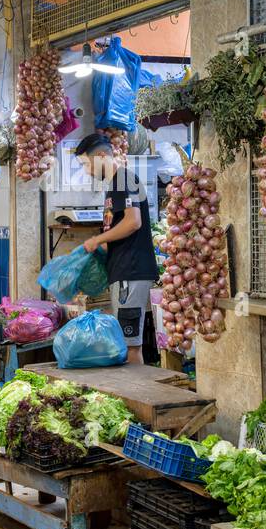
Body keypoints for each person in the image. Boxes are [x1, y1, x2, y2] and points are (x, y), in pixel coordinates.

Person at [76, 132, 159, 364]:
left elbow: (134, 222)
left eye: (87, 164)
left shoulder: (124, 179)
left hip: (131, 272)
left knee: (130, 346)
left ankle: (136, 396)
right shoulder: (115, 185)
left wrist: (98, 241)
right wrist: (102, 245)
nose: (87, 171)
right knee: (126, 343)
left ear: (101, 156)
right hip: (123, 272)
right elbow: (121, 226)